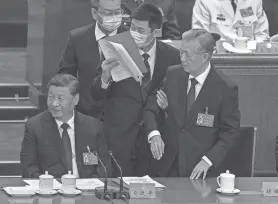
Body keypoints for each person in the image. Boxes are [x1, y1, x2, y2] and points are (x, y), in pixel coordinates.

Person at [91, 3, 180, 176]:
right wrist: (105, 77)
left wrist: (168, 105)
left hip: (155, 138)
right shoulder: (115, 48)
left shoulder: (171, 56)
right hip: (120, 137)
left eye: (140, 30)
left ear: (155, 32)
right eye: (132, 27)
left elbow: (175, 95)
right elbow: (95, 94)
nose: (134, 33)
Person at [146, 29, 240, 179]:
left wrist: (208, 160)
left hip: (200, 170)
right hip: (167, 166)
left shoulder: (225, 88)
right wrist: (154, 134)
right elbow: (152, 104)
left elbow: (230, 131)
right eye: (181, 52)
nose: (182, 58)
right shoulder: (173, 74)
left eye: (187, 54)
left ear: (205, 56)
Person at [20, 74, 109, 178]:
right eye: (51, 97)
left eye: (60, 98)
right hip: (52, 190)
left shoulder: (93, 126)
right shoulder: (35, 126)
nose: (54, 103)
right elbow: (29, 168)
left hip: (86, 189)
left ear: (75, 99)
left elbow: (104, 167)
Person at [58, 0, 127, 119]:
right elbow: (65, 77)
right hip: (86, 114)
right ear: (94, 13)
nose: (114, 18)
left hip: (122, 118)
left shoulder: (132, 37)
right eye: (108, 13)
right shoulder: (77, 38)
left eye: (117, 12)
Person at [192, 0, 269, 42]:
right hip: (218, 57)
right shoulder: (204, 1)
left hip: (249, 56)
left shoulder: (255, 1)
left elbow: (262, 35)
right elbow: (199, 37)